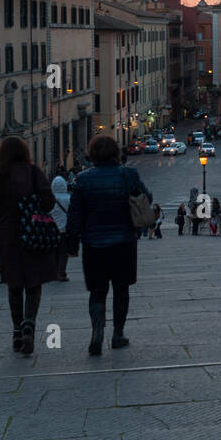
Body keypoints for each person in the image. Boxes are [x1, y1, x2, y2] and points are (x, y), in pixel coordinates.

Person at [66, 135, 152, 355]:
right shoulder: (128, 175)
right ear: (115, 153)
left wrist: (72, 244)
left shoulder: (82, 180)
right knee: (121, 290)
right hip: (124, 242)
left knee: (97, 292)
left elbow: (74, 216)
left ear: (92, 154)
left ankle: (97, 331)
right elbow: (146, 198)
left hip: (93, 245)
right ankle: (117, 334)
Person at [0, 137, 58, 356]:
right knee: (33, 282)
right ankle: (29, 325)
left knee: (14, 284)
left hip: (7, 236)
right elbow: (49, 203)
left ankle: (16, 330)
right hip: (33, 233)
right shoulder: (34, 173)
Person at [51, 175, 72, 281]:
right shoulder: (69, 198)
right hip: (64, 230)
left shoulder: (50, 199)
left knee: (54, 251)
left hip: (52, 230)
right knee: (63, 253)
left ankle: (54, 273)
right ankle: (61, 273)